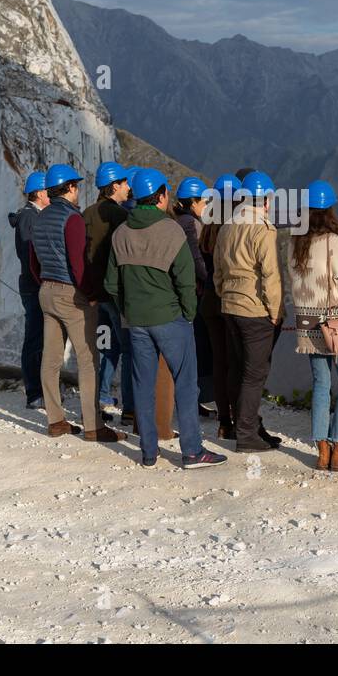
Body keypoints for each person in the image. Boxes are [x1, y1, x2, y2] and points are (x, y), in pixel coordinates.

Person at [104, 168, 228, 469]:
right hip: (170, 318)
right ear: (159, 197)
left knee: (142, 384)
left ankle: (148, 452)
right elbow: (185, 280)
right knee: (185, 384)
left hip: (136, 320)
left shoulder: (120, 233)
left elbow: (110, 283)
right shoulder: (171, 230)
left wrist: (128, 308)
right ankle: (192, 451)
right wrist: (187, 313)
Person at [33, 164, 126, 443]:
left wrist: (44, 282)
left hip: (46, 290)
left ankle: (56, 421)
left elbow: (32, 260)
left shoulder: (40, 217)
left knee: (50, 360)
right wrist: (91, 292)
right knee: (88, 361)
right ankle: (93, 426)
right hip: (71, 295)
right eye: (76, 186)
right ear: (71, 188)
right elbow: (77, 263)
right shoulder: (71, 219)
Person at [288, 180, 338, 472]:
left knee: (321, 385)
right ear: (329, 211)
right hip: (336, 325)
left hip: (307, 323)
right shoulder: (332, 242)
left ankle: (322, 451)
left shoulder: (294, 242)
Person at [213, 170, 285, 453]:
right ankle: (247, 435)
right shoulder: (263, 228)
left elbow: (218, 271)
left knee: (238, 369)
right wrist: (275, 311)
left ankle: (249, 426)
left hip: (229, 306)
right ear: (266, 199)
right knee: (255, 374)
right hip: (254, 309)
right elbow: (270, 275)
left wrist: (224, 295)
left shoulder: (228, 225)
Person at [83, 161, 133, 422]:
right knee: (127, 348)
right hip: (114, 295)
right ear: (114, 186)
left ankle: (100, 396)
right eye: (124, 183)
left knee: (104, 347)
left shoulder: (86, 214)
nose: (128, 187)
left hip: (93, 296)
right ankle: (129, 409)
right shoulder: (121, 217)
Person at [199, 173, 241, 438]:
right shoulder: (234, 227)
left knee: (220, 362)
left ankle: (224, 422)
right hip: (230, 301)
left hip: (209, 302)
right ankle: (240, 418)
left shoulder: (208, 226)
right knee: (236, 363)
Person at [8, 171, 49, 412]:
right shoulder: (29, 218)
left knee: (40, 339)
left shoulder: (31, 216)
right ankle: (34, 392)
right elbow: (30, 254)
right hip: (34, 286)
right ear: (41, 193)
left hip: (34, 284)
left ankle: (40, 390)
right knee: (34, 339)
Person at [174, 176, 214, 414]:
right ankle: (195, 401)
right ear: (193, 201)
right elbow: (196, 258)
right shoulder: (191, 224)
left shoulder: (179, 220)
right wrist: (208, 278)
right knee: (197, 347)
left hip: (184, 289)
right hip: (194, 291)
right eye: (204, 201)